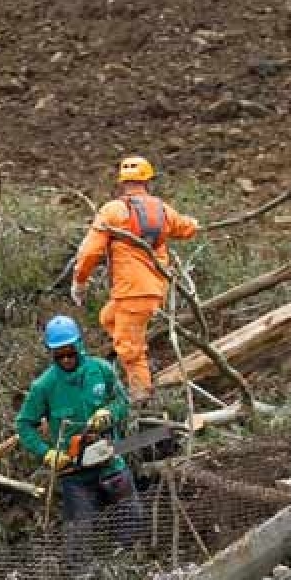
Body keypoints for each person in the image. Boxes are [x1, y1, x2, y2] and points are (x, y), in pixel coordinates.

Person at [71, 156, 200, 404]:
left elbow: (89, 252)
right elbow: (185, 227)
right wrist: (195, 224)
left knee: (128, 344)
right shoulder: (162, 209)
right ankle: (139, 362)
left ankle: (141, 396)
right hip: (154, 288)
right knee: (108, 318)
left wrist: (79, 281)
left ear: (122, 183)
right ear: (148, 181)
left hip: (132, 291)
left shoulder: (113, 210)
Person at [15, 315, 138, 536]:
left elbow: (122, 402)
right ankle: (84, 571)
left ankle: (134, 560)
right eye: (59, 354)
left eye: (70, 352)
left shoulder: (101, 370)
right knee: (79, 538)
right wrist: (47, 453)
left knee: (131, 523)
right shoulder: (44, 386)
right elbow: (24, 425)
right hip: (74, 473)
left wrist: (109, 413)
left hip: (110, 460)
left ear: (79, 344)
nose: (66, 359)